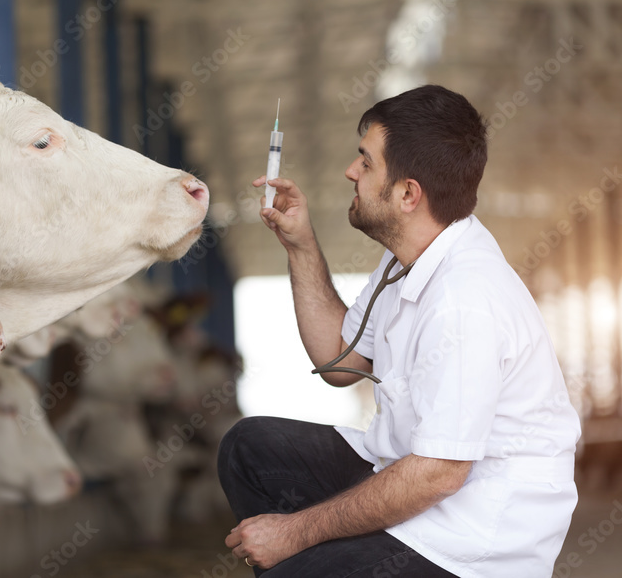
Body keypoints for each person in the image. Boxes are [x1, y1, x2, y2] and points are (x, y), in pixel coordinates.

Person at [219, 85, 581, 577]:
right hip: (411, 474)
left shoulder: (464, 298)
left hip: (471, 536)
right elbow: (340, 361)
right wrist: (300, 245)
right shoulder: (406, 261)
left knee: (297, 568)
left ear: (409, 194)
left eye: (366, 162)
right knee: (249, 448)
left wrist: (294, 533)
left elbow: (439, 474)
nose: (351, 171)